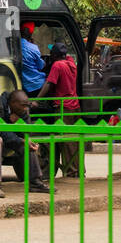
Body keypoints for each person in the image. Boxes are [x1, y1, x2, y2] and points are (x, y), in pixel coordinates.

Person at [0, 89, 49, 198]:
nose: (25, 109)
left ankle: (35, 182)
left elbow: (26, 130)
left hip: (8, 136)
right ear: (12, 103)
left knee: (28, 143)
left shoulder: (22, 108)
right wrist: (17, 136)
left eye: (27, 106)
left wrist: (24, 139)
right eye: (23, 106)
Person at [37, 42, 81, 177]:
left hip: (63, 108)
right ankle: (78, 170)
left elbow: (49, 84)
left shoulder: (57, 65)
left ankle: (72, 172)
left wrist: (37, 100)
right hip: (75, 106)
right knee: (75, 139)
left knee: (66, 141)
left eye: (51, 54)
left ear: (55, 55)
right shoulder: (71, 63)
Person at [18, 22, 46, 96]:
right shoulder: (33, 48)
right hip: (36, 85)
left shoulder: (13, 45)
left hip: (20, 85)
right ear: (31, 34)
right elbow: (41, 66)